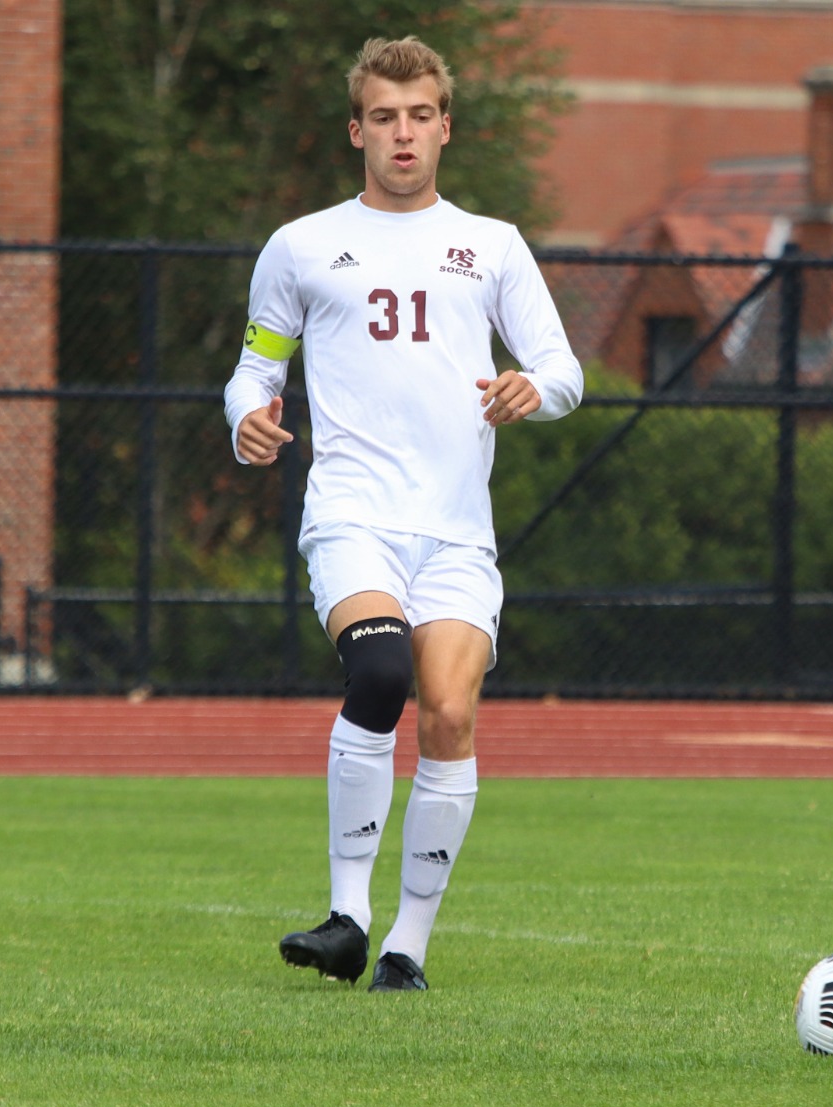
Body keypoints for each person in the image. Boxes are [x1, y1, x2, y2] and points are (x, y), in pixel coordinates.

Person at [223, 36, 583, 992]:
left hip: (457, 529)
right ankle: (348, 913)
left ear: (446, 128)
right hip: (354, 515)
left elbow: (563, 370)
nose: (403, 132)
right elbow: (258, 366)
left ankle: (406, 952)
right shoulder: (301, 247)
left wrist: (528, 393)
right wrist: (248, 419)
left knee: (452, 712)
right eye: (385, 116)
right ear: (357, 131)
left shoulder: (492, 245)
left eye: (420, 114)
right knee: (382, 669)